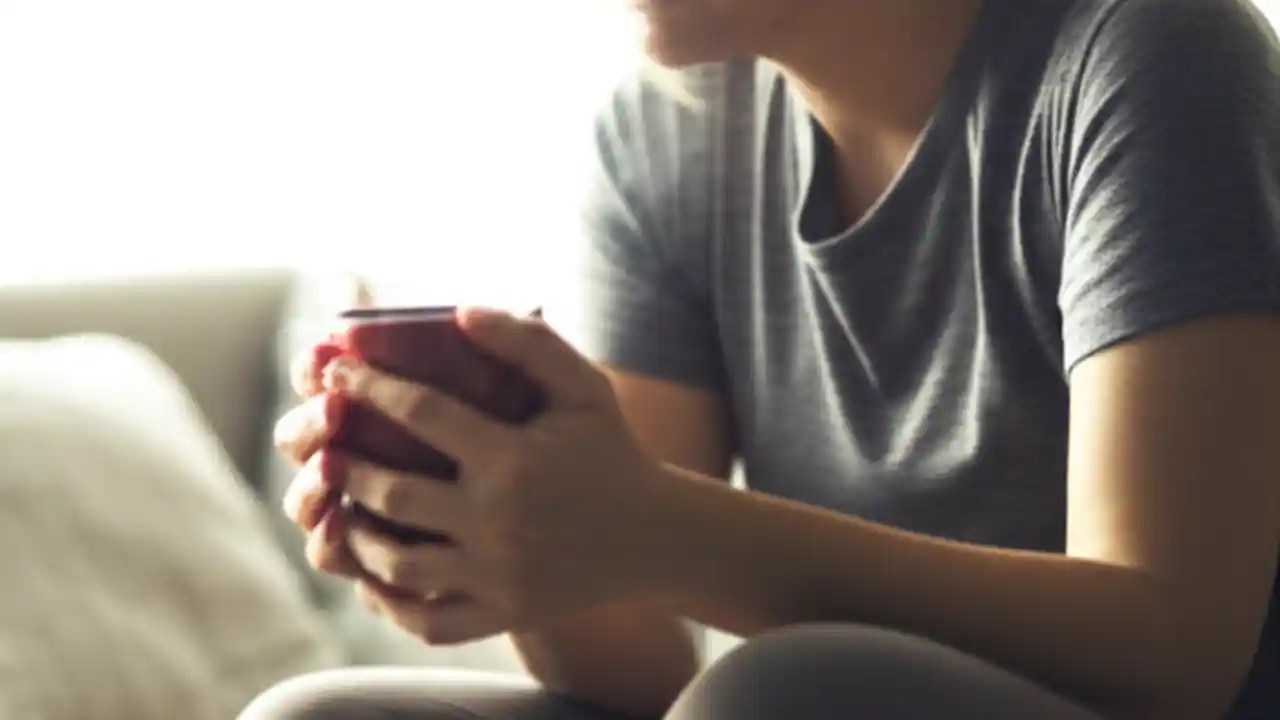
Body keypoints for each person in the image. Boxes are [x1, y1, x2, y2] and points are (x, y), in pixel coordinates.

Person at [242, 0, 1280, 717]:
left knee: (779, 697)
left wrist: (658, 524)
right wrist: (509, 552)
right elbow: (643, 674)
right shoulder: (668, 137)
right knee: (323, 715)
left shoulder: (1146, 57)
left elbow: (1174, 652)